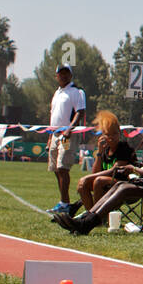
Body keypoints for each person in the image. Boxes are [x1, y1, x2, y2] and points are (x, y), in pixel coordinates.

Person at [52, 110, 143, 235]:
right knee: (120, 186)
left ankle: (86, 223)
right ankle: (86, 220)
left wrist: (132, 168)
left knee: (122, 187)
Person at [72, 110, 137, 215]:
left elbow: (114, 171)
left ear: (119, 133)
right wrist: (99, 153)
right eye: (108, 134)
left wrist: (87, 177)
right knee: (82, 184)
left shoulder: (124, 148)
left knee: (98, 181)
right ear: (103, 135)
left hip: (124, 186)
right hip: (107, 184)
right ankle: (90, 215)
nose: (111, 137)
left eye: (114, 134)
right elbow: (95, 172)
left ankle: (98, 217)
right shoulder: (104, 150)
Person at [46, 65, 87, 214]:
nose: (63, 76)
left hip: (67, 134)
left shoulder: (77, 91)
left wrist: (70, 128)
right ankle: (63, 201)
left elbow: (80, 112)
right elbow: (53, 116)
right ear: (56, 76)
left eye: (66, 73)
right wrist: (50, 137)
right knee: (56, 168)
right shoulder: (57, 93)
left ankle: (65, 203)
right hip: (55, 134)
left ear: (70, 75)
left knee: (63, 167)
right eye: (60, 73)